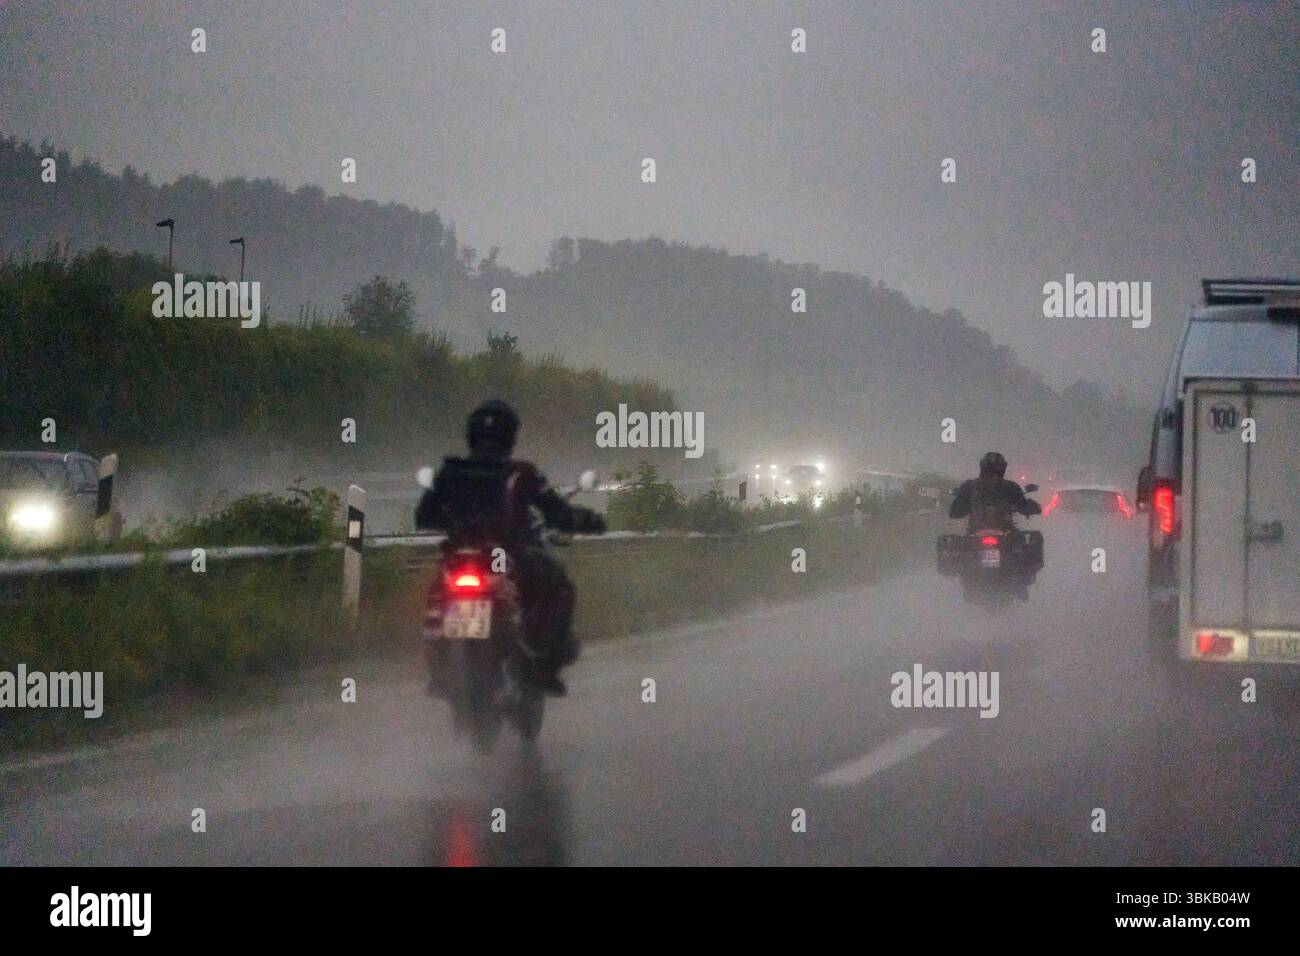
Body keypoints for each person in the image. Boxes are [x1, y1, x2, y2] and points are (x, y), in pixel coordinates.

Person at [415, 400, 605, 696]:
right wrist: (590, 520)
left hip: (457, 560)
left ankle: (440, 670)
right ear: (511, 436)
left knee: (437, 596)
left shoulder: (449, 472)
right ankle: (544, 665)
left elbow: (423, 517)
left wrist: (455, 521)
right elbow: (559, 515)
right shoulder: (522, 474)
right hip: (506, 559)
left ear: (471, 434)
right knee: (559, 585)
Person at [948, 451, 1041, 531]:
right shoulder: (1010, 487)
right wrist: (1034, 507)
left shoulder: (969, 486)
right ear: (1003, 468)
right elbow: (1023, 506)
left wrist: (966, 508)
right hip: (1005, 533)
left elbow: (955, 512)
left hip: (976, 533)